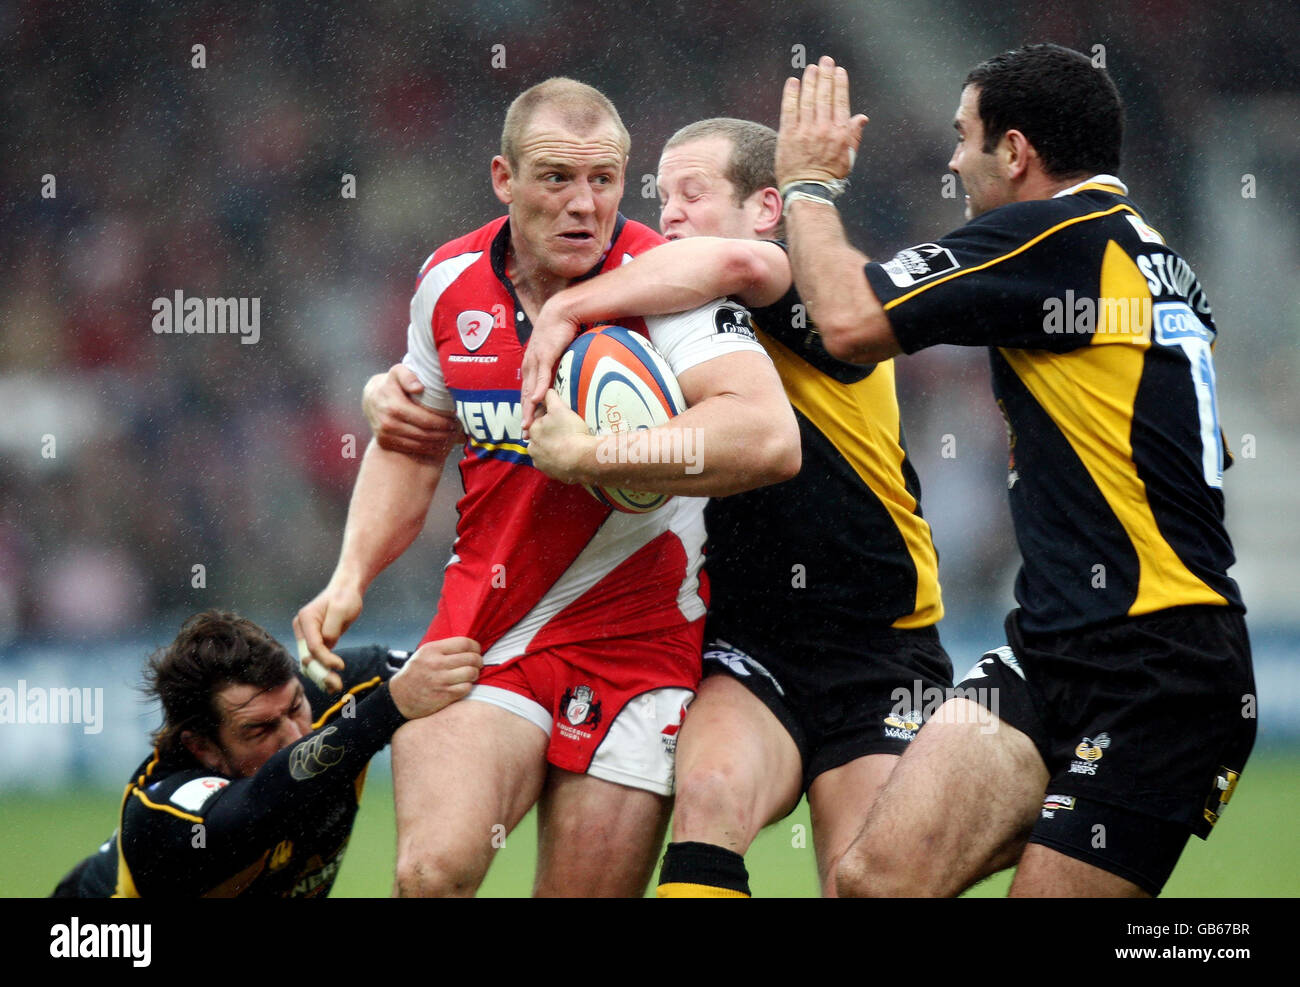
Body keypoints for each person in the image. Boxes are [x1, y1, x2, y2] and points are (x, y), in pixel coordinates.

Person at [369, 117, 951, 898]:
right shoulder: (669, 316)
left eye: (693, 194)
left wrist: (566, 312)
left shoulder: (816, 287)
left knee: (869, 882)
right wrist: (391, 391)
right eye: (660, 195)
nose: (667, 215)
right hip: (746, 647)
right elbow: (474, 367)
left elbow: (737, 261)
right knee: (708, 796)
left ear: (767, 208)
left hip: (879, 651)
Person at [295, 79, 799, 898]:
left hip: (637, 647)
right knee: (432, 872)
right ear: (504, 178)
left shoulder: (668, 279)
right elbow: (410, 443)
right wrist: (349, 576)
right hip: (483, 635)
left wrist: (602, 453)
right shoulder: (447, 282)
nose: (582, 204)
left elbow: (769, 438)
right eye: (556, 178)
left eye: (603, 180)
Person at [775, 48, 1255, 897]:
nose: (955, 161)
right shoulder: (1148, 254)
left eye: (965, 139)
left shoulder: (1056, 236)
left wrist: (809, 185)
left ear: (1016, 152)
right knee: (876, 880)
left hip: (1161, 670)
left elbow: (846, 321)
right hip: (1055, 646)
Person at [51, 609, 480, 897]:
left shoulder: (335, 690)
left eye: (296, 706)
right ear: (202, 746)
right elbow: (264, 802)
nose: (294, 735)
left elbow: (485, 675)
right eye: (259, 729)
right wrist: (389, 708)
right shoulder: (164, 814)